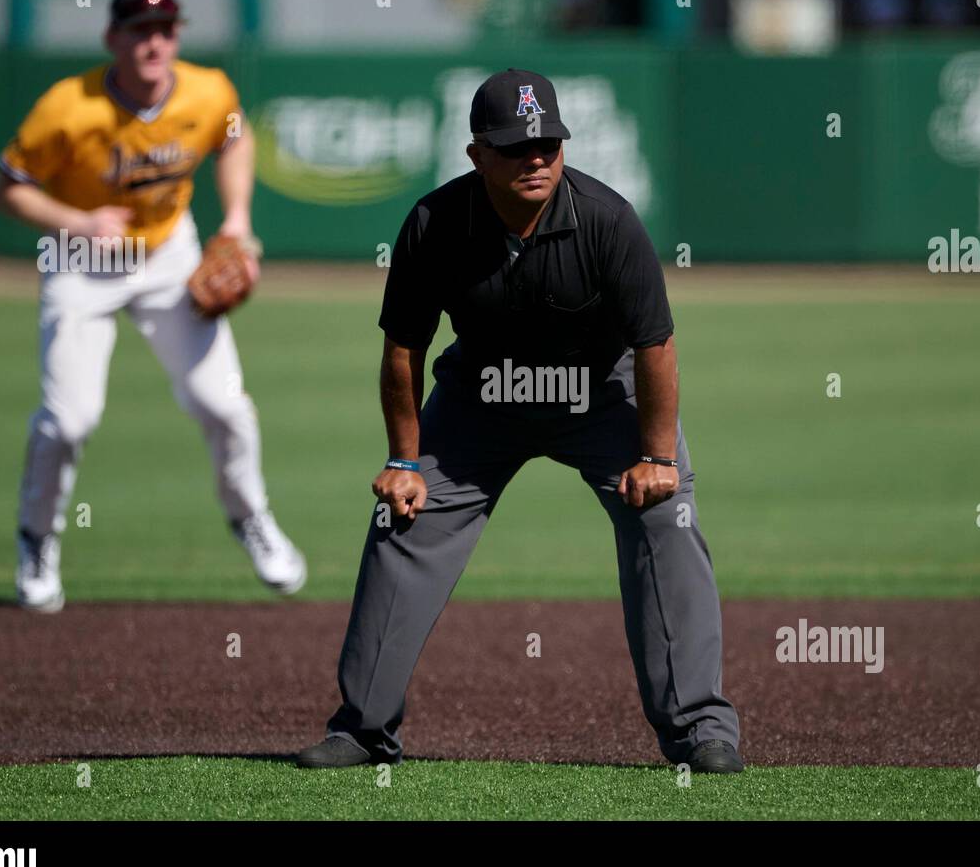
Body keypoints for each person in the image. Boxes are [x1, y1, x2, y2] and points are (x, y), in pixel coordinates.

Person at [298, 69, 742, 772]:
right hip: (482, 397)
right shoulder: (435, 223)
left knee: (667, 517)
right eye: (514, 147)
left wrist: (657, 456)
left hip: (600, 392)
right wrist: (405, 462)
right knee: (401, 520)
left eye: (547, 144)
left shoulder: (607, 219)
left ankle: (700, 730)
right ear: (477, 155)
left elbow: (655, 344)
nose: (535, 158)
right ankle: (362, 728)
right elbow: (403, 349)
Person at [0, 0, 306, 613]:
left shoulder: (208, 91)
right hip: (81, 263)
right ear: (113, 39)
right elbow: (7, 188)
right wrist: (76, 223)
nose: (154, 41)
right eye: (139, 30)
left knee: (225, 407)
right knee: (68, 420)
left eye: (166, 29)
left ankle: (251, 519)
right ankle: (37, 539)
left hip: (167, 257)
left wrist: (238, 220)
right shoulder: (66, 107)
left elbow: (235, 137)